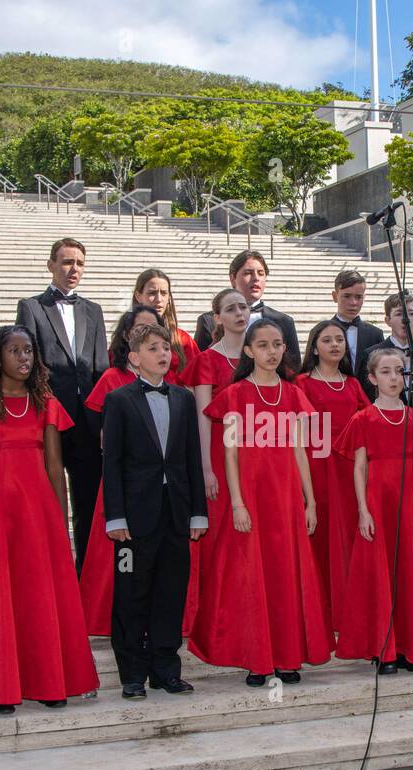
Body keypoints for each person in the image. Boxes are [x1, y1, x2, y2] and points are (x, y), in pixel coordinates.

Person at [191, 319, 333, 685]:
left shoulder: (293, 393)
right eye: (264, 345)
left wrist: (311, 501)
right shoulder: (236, 394)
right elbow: (231, 454)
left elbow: (300, 451)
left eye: (278, 345)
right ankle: (259, 660)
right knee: (252, 576)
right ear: (250, 351)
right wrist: (237, 502)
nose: (272, 351)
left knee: (286, 573)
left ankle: (287, 657)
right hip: (252, 496)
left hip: (286, 498)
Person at [0, 327, 99, 712]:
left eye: (28, 351)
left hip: (37, 513)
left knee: (40, 598)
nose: (23, 358)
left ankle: (49, 683)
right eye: (14, 351)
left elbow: (56, 469)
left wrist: (60, 521)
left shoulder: (46, 402)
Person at [103, 323, 209, 700]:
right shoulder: (118, 401)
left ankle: (166, 669)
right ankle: (132, 674)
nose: (163, 353)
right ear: (134, 358)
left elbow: (192, 459)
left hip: (175, 515)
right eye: (153, 348)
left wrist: (198, 512)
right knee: (131, 593)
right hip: (133, 521)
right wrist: (115, 517)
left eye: (166, 347)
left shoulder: (182, 398)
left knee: (170, 592)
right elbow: (111, 464)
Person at [334, 348, 413, 673]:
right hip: (378, 503)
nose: (393, 378)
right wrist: (363, 509)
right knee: (381, 573)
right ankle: (384, 649)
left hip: (410, 505)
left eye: (399, 371)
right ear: (372, 378)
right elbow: (359, 468)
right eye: (385, 372)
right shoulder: (363, 418)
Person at [79, 305, 175, 639]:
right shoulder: (112, 380)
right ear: (130, 344)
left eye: (158, 334)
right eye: (142, 333)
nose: (155, 343)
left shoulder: (172, 387)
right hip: (127, 485)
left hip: (163, 494)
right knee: (122, 565)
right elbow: (98, 427)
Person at [15, 237, 109, 570]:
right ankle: (51, 573)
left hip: (87, 423)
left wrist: (103, 423)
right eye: (67, 262)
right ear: (51, 265)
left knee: (87, 504)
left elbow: (101, 370)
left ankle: (85, 578)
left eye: (80, 263)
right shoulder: (31, 307)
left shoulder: (93, 311)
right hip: (49, 420)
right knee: (49, 503)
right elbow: (26, 363)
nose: (74, 269)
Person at [295, 319, 370, 631]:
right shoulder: (301, 384)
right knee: (319, 540)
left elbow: (369, 422)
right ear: (314, 347)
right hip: (316, 467)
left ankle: (348, 614)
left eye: (339, 339)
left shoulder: (353, 384)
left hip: (349, 470)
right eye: (327, 340)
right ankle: (319, 616)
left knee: (348, 540)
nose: (335, 345)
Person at [180, 289, 248, 604]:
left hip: (257, 449)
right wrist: (205, 467)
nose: (239, 313)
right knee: (222, 529)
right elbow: (203, 418)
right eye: (231, 308)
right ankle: (219, 604)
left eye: (243, 307)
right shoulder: (207, 359)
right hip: (219, 453)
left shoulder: (259, 354)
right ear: (217, 318)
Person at [359, 292, 413, 457]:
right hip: (381, 443)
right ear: (387, 320)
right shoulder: (371, 354)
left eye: (411, 313)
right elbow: (365, 402)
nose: (406, 319)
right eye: (399, 314)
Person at [193, 250, 300, 372]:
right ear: (233, 279)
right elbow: (200, 368)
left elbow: (294, 368)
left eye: (261, 273)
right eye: (248, 273)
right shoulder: (208, 320)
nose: (255, 278)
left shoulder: (284, 321)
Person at [131, 268, 199, 380]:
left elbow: (196, 378)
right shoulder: (125, 337)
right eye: (152, 293)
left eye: (164, 293)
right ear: (138, 296)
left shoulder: (182, 339)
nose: (159, 299)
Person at [327, 269, 383, 377]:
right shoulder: (322, 332)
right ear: (334, 296)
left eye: (358, 297)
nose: (353, 303)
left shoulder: (375, 334)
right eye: (347, 296)